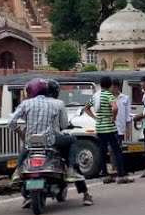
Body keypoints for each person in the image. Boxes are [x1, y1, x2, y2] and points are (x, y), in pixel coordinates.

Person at [9, 78, 93, 206]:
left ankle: (18, 171)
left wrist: (21, 134)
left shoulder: (26, 104)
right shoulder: (57, 104)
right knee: (73, 148)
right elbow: (64, 125)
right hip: (52, 140)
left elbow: (11, 122)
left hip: (32, 141)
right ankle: (83, 191)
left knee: (25, 150)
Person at [86, 76, 126, 184]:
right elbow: (115, 108)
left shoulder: (95, 96)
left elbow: (86, 108)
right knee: (116, 150)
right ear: (111, 85)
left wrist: (95, 117)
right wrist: (113, 117)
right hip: (110, 128)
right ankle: (121, 175)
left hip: (99, 127)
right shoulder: (109, 95)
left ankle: (105, 175)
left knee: (102, 151)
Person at [112, 79, 134, 184]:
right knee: (111, 150)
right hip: (109, 128)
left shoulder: (125, 98)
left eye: (113, 87)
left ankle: (119, 170)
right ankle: (115, 170)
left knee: (118, 150)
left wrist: (128, 129)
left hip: (120, 128)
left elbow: (128, 115)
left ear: (117, 87)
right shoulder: (108, 98)